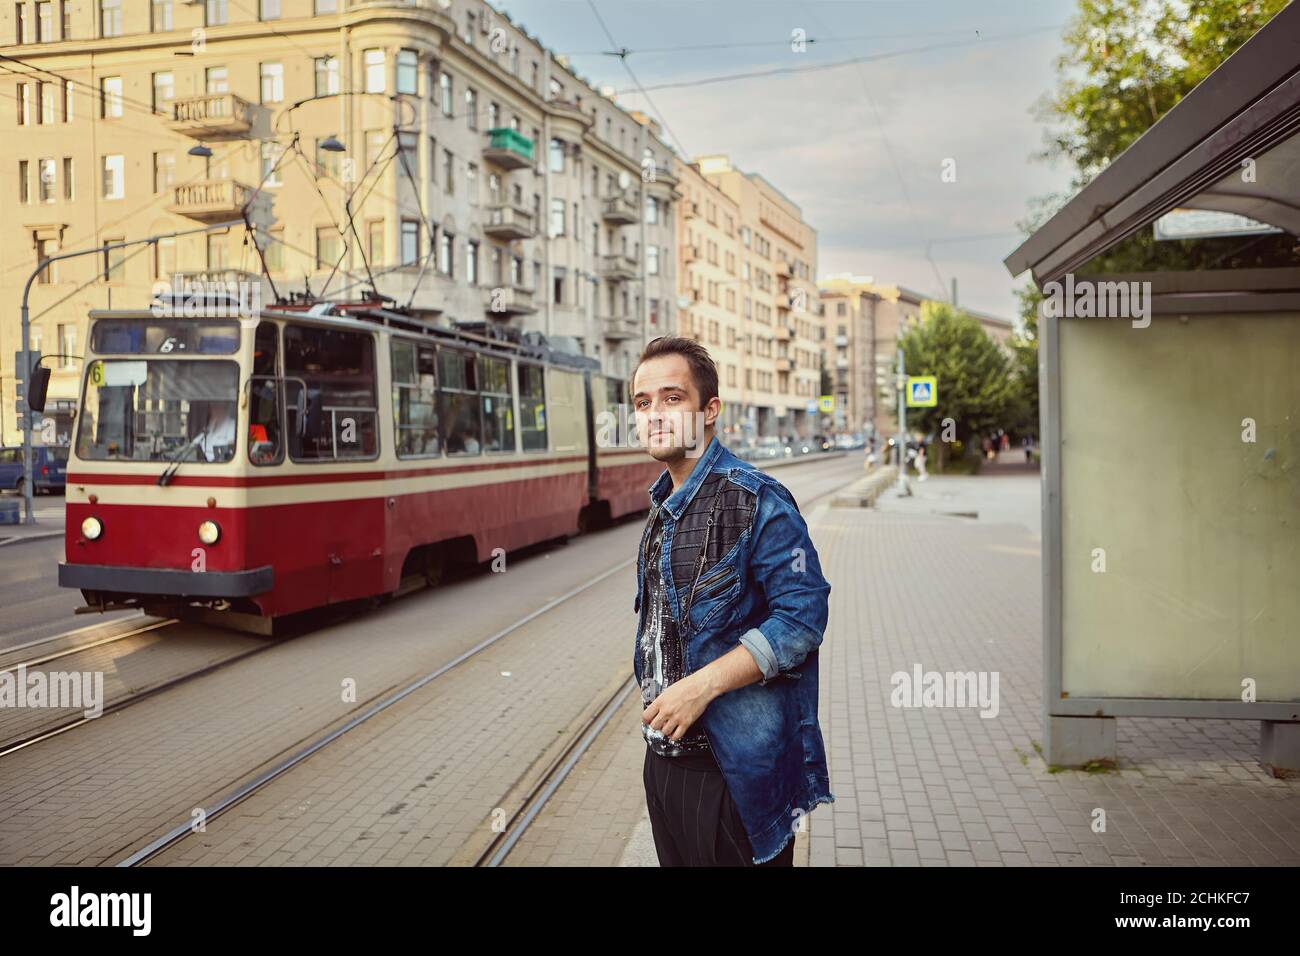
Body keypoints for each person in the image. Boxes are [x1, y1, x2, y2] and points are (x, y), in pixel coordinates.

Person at [631, 336, 833, 867]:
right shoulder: (662, 506)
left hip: (732, 775)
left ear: (710, 410)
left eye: (672, 398)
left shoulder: (756, 501)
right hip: (666, 763)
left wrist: (700, 687)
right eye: (642, 402)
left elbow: (803, 617)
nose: (654, 415)